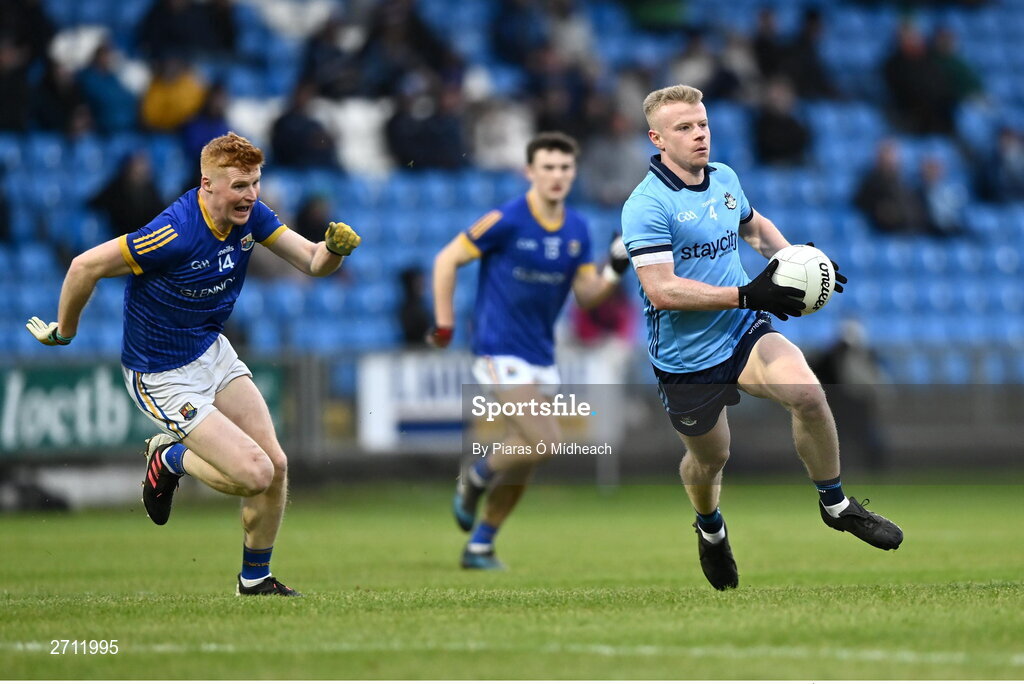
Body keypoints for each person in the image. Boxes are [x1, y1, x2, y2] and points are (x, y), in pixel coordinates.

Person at [26, 132, 361, 596]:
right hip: (161, 374)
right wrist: (65, 330)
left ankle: (255, 580)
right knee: (255, 473)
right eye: (239, 185)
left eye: (255, 183)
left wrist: (335, 252)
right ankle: (171, 457)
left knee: (277, 465)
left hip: (210, 350)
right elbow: (85, 266)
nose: (251, 195)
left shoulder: (252, 218)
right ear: (207, 183)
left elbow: (310, 260)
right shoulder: (175, 232)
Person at [620, 85, 901, 592]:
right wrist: (749, 293)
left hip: (742, 331)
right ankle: (710, 530)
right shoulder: (645, 205)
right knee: (710, 459)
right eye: (684, 128)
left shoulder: (724, 177)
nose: (699, 134)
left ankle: (836, 505)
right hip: (686, 356)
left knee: (809, 395)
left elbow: (752, 227)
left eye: (702, 124)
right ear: (657, 138)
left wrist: (795, 260)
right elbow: (660, 291)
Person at [428, 131, 629, 570]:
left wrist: (614, 268)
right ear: (530, 172)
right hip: (497, 349)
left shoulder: (577, 228)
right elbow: (446, 260)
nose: (556, 176)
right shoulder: (507, 219)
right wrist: (444, 323)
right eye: (548, 168)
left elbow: (587, 295)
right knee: (545, 439)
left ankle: (481, 543)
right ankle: (475, 477)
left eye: (564, 168)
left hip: (541, 354)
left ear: (573, 173)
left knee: (525, 456)